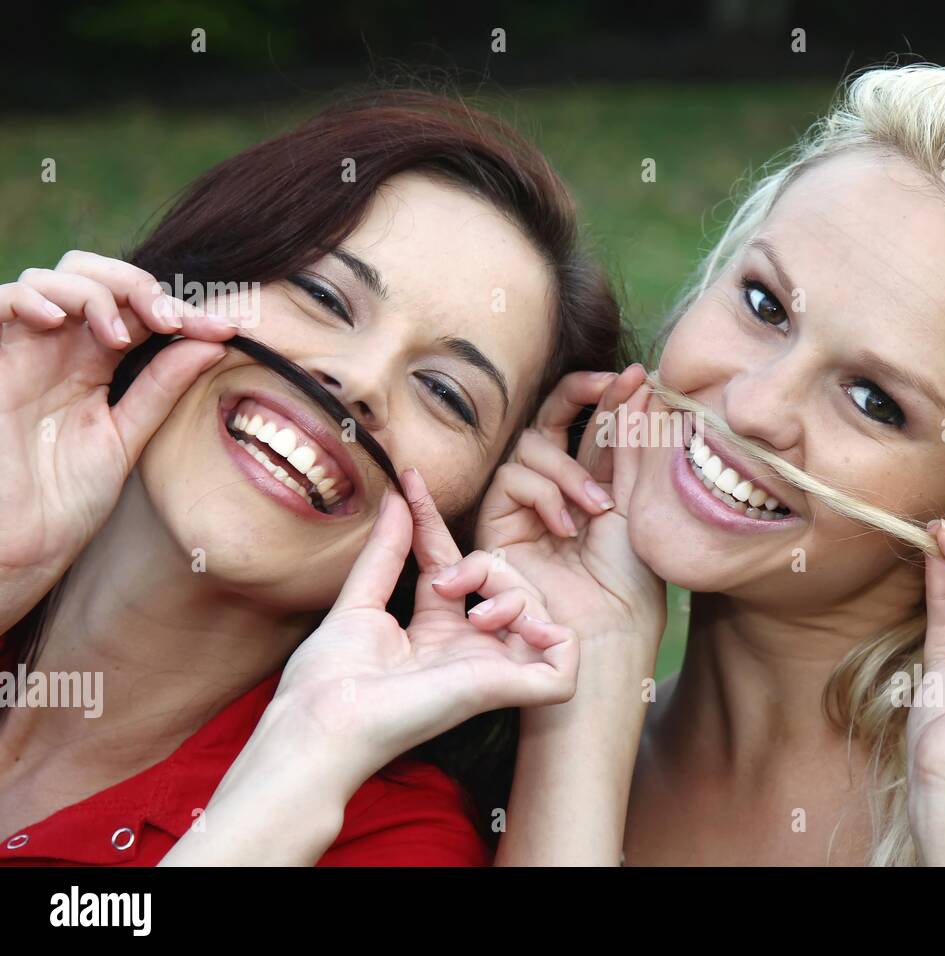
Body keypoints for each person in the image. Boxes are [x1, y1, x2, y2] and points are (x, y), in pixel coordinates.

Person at [152, 64, 945, 866]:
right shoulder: (499, 749)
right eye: (764, 302)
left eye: (874, 399)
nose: (754, 404)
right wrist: (587, 678)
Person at [0, 89, 629, 866]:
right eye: (326, 295)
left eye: (445, 394)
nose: (360, 380)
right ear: (185, 284)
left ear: (461, 533)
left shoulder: (394, 843)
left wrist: (302, 766)